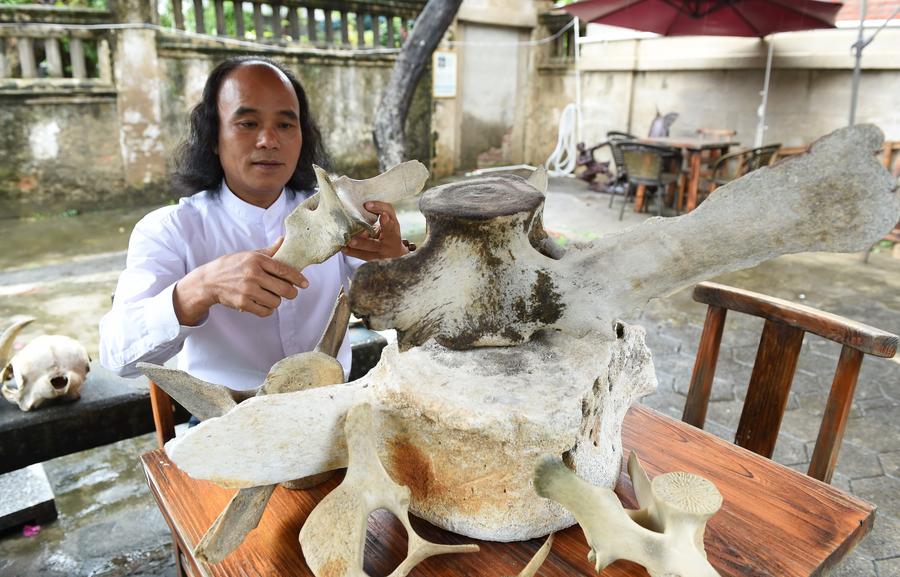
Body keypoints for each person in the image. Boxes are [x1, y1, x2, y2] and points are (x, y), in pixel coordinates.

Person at [99, 56, 410, 391]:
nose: (269, 140)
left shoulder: (339, 213)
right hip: (222, 415)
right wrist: (202, 287)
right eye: (248, 123)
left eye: (286, 125)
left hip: (330, 405)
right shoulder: (170, 230)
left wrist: (398, 267)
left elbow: (400, 318)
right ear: (213, 137)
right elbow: (117, 356)